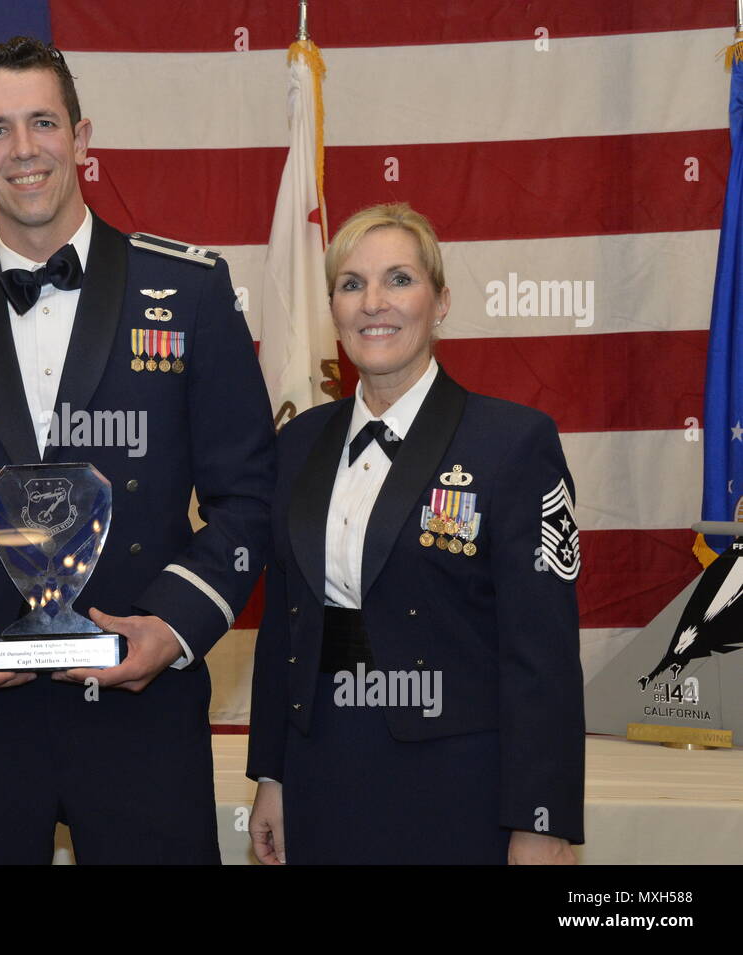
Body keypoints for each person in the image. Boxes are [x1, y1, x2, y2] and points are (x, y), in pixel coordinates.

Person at [0, 36, 275, 864]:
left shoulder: (190, 292)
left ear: (83, 140)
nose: (23, 151)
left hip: (143, 710)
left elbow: (250, 496)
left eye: (43, 123)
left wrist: (173, 624)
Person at [246, 202, 585, 865]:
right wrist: (273, 773)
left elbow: (540, 655)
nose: (375, 302)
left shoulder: (513, 443)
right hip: (322, 772)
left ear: (441, 300)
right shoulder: (299, 444)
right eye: (351, 283)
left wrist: (541, 820)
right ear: (334, 307)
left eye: (399, 279)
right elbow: (285, 626)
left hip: (459, 783)